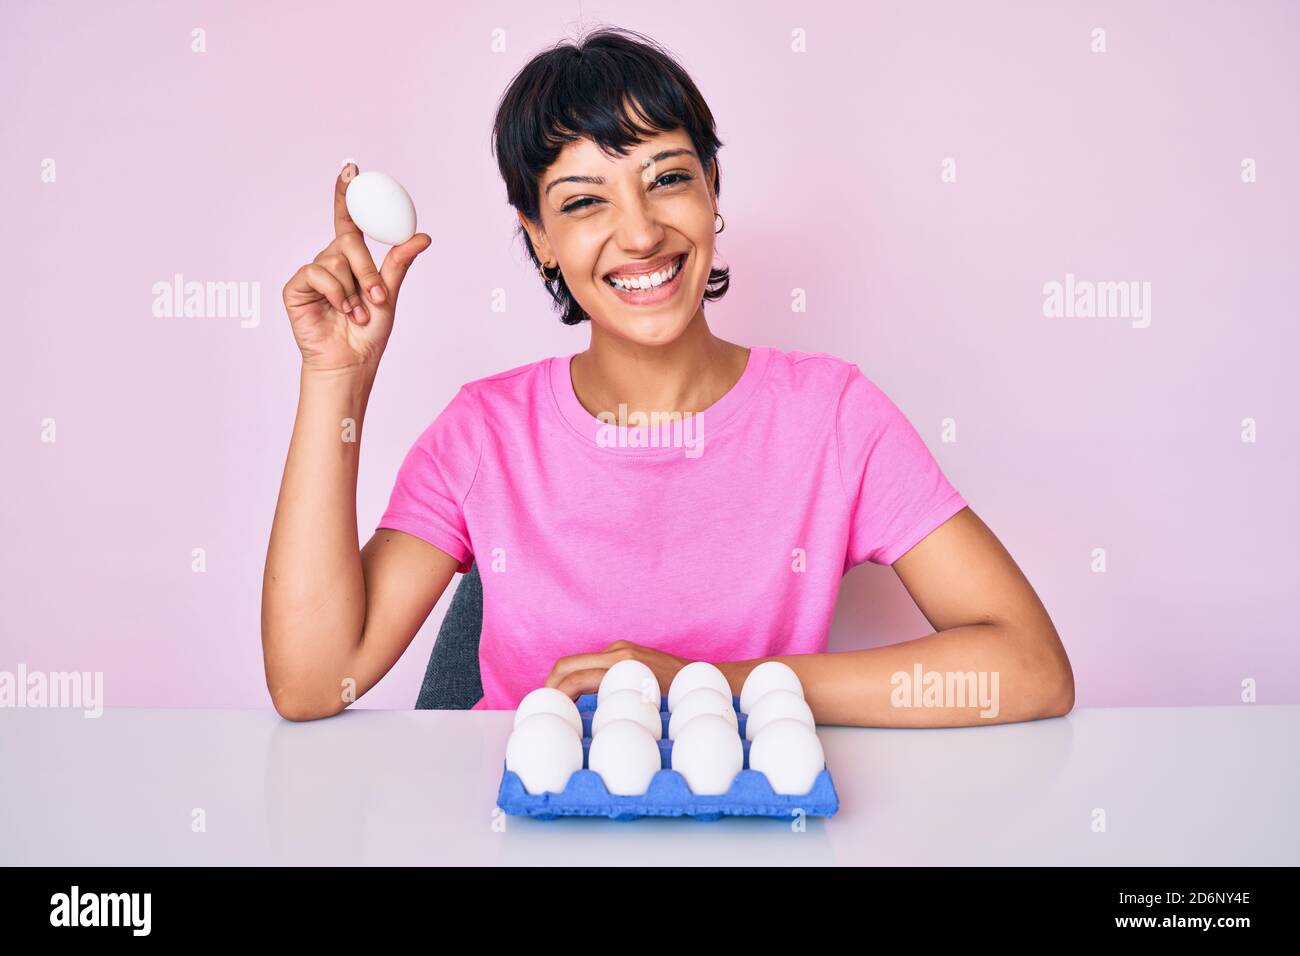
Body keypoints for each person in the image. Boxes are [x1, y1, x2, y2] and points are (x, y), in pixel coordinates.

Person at [262, 27, 1073, 726]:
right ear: (538, 236)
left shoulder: (832, 416)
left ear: (713, 188)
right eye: (584, 203)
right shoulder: (484, 434)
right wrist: (337, 375)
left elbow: (1031, 667)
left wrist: (711, 687)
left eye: (668, 178)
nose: (642, 232)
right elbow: (309, 682)